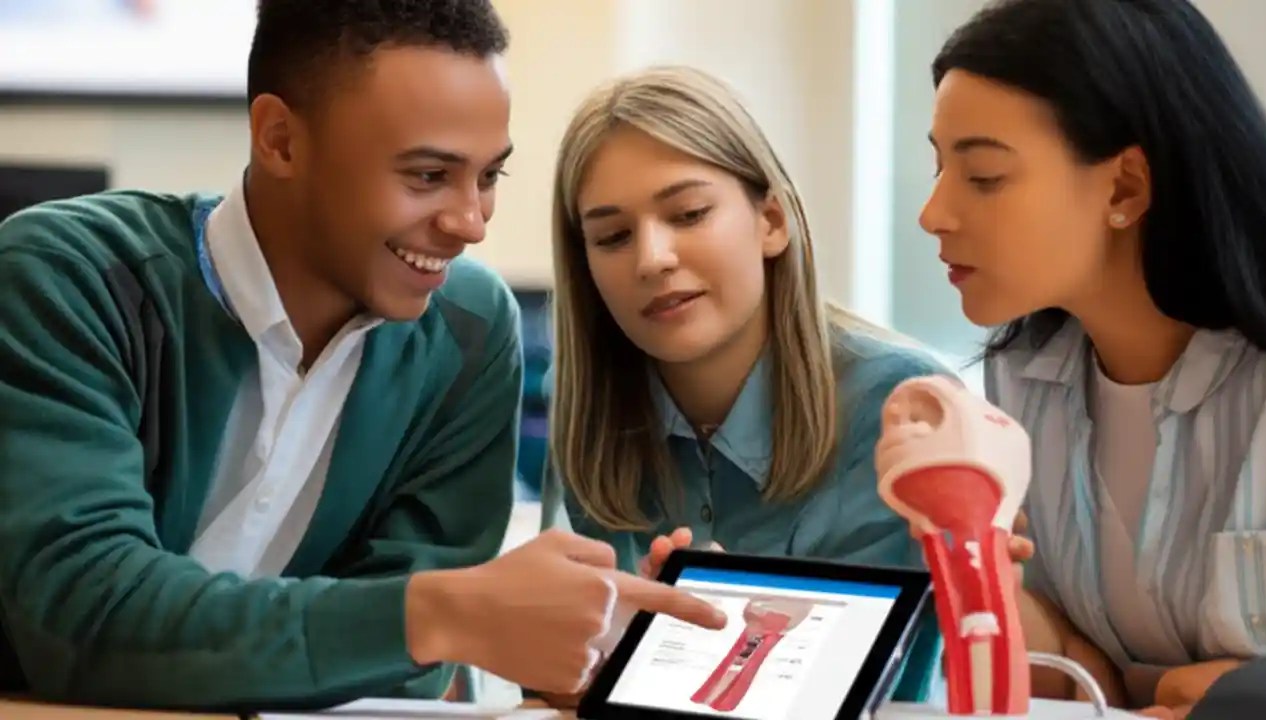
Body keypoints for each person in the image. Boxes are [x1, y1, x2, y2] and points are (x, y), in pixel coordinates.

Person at [0, 0, 724, 711]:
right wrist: (440, 615)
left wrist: (450, 622)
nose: (470, 222)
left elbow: (405, 676)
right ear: (280, 140)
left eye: (488, 177)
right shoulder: (67, 276)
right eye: (427, 176)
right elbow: (80, 613)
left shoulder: (470, 330)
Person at [538, 64, 971, 707]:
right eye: (612, 236)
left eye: (688, 213)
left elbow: (879, 689)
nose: (651, 258)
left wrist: (680, 646)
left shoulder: (901, 405)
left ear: (771, 220)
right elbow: (567, 678)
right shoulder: (585, 409)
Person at [919, 0, 1266, 716]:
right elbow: (1083, 675)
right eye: (938, 167)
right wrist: (979, 569)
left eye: (983, 176)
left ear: (1125, 187)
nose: (933, 213)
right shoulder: (1023, 380)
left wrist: (1220, 696)